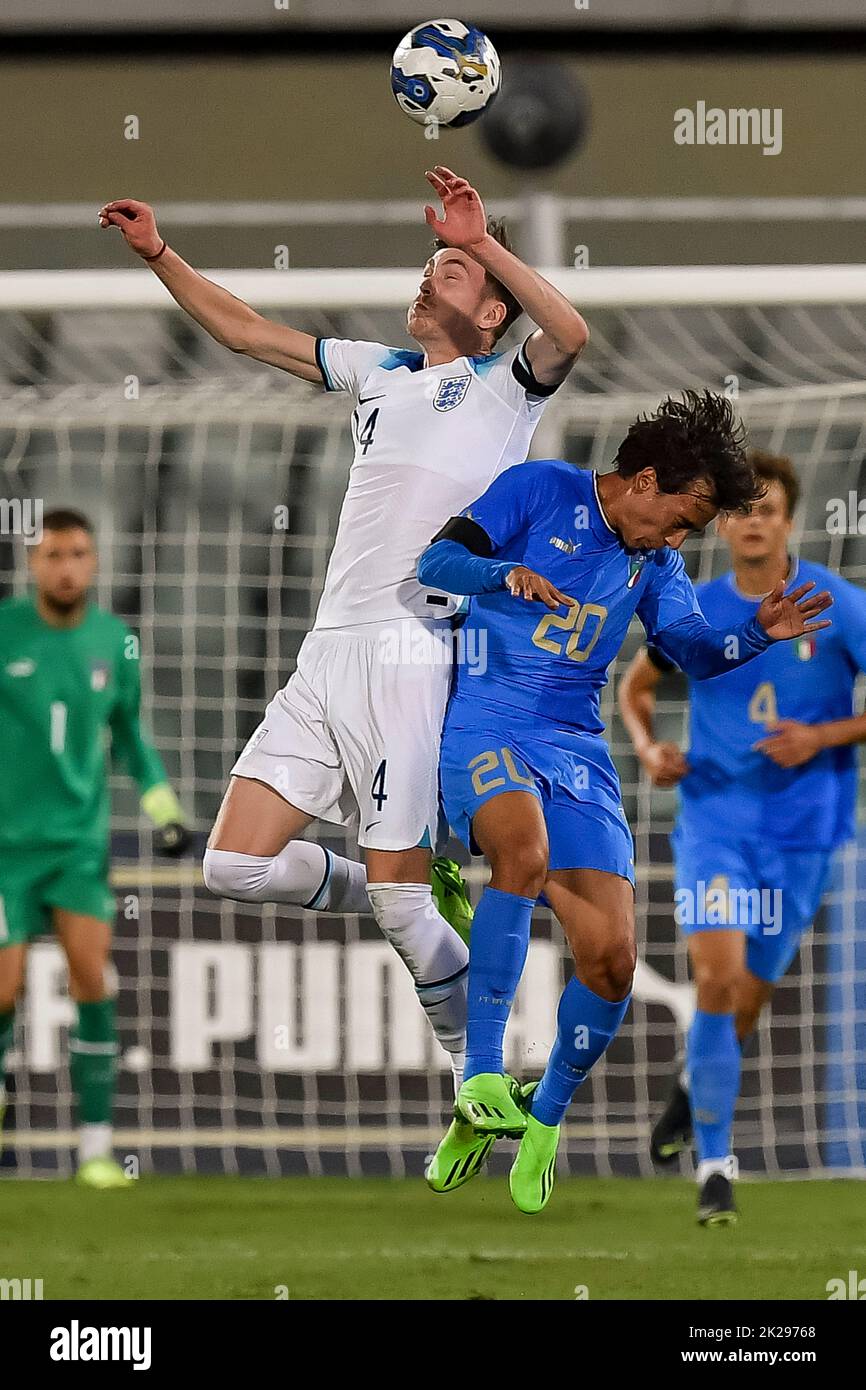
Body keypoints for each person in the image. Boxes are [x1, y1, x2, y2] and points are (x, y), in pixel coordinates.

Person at [100, 168, 587, 1090]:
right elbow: (245, 332)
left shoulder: (503, 388)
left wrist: (482, 242)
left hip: (411, 652)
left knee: (403, 908)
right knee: (232, 866)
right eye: (430, 265)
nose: (428, 278)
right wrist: (159, 253)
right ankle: (406, 892)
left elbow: (571, 334)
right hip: (327, 652)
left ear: (492, 314)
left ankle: (477, 1074)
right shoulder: (379, 370)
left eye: (451, 272)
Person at [416, 396, 831, 1214]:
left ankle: (543, 1117)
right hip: (489, 721)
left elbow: (692, 651)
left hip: (575, 747)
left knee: (611, 961)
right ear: (643, 481)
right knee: (522, 853)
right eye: (679, 521)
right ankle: (481, 1077)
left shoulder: (656, 566)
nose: (677, 541)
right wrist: (502, 572)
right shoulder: (540, 489)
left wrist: (754, 633)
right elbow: (437, 562)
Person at [618, 449, 866, 1225]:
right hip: (715, 824)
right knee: (718, 984)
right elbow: (636, 687)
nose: (754, 522)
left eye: (769, 510)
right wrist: (649, 748)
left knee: (745, 1000)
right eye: (742, 510)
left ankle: (691, 1090)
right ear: (724, 524)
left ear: (789, 521)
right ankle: (716, 1169)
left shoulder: (838, 605)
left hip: (804, 833)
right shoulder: (695, 608)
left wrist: (822, 736)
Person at [0, 509, 190, 1186]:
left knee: (92, 979)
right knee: (3, 988)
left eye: (78, 553)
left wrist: (166, 811)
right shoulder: (5, 632)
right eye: (53, 554)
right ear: (33, 562)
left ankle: (96, 1149)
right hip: (6, 851)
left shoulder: (116, 641)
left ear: (95, 562)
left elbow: (131, 738)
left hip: (79, 848)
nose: (66, 567)